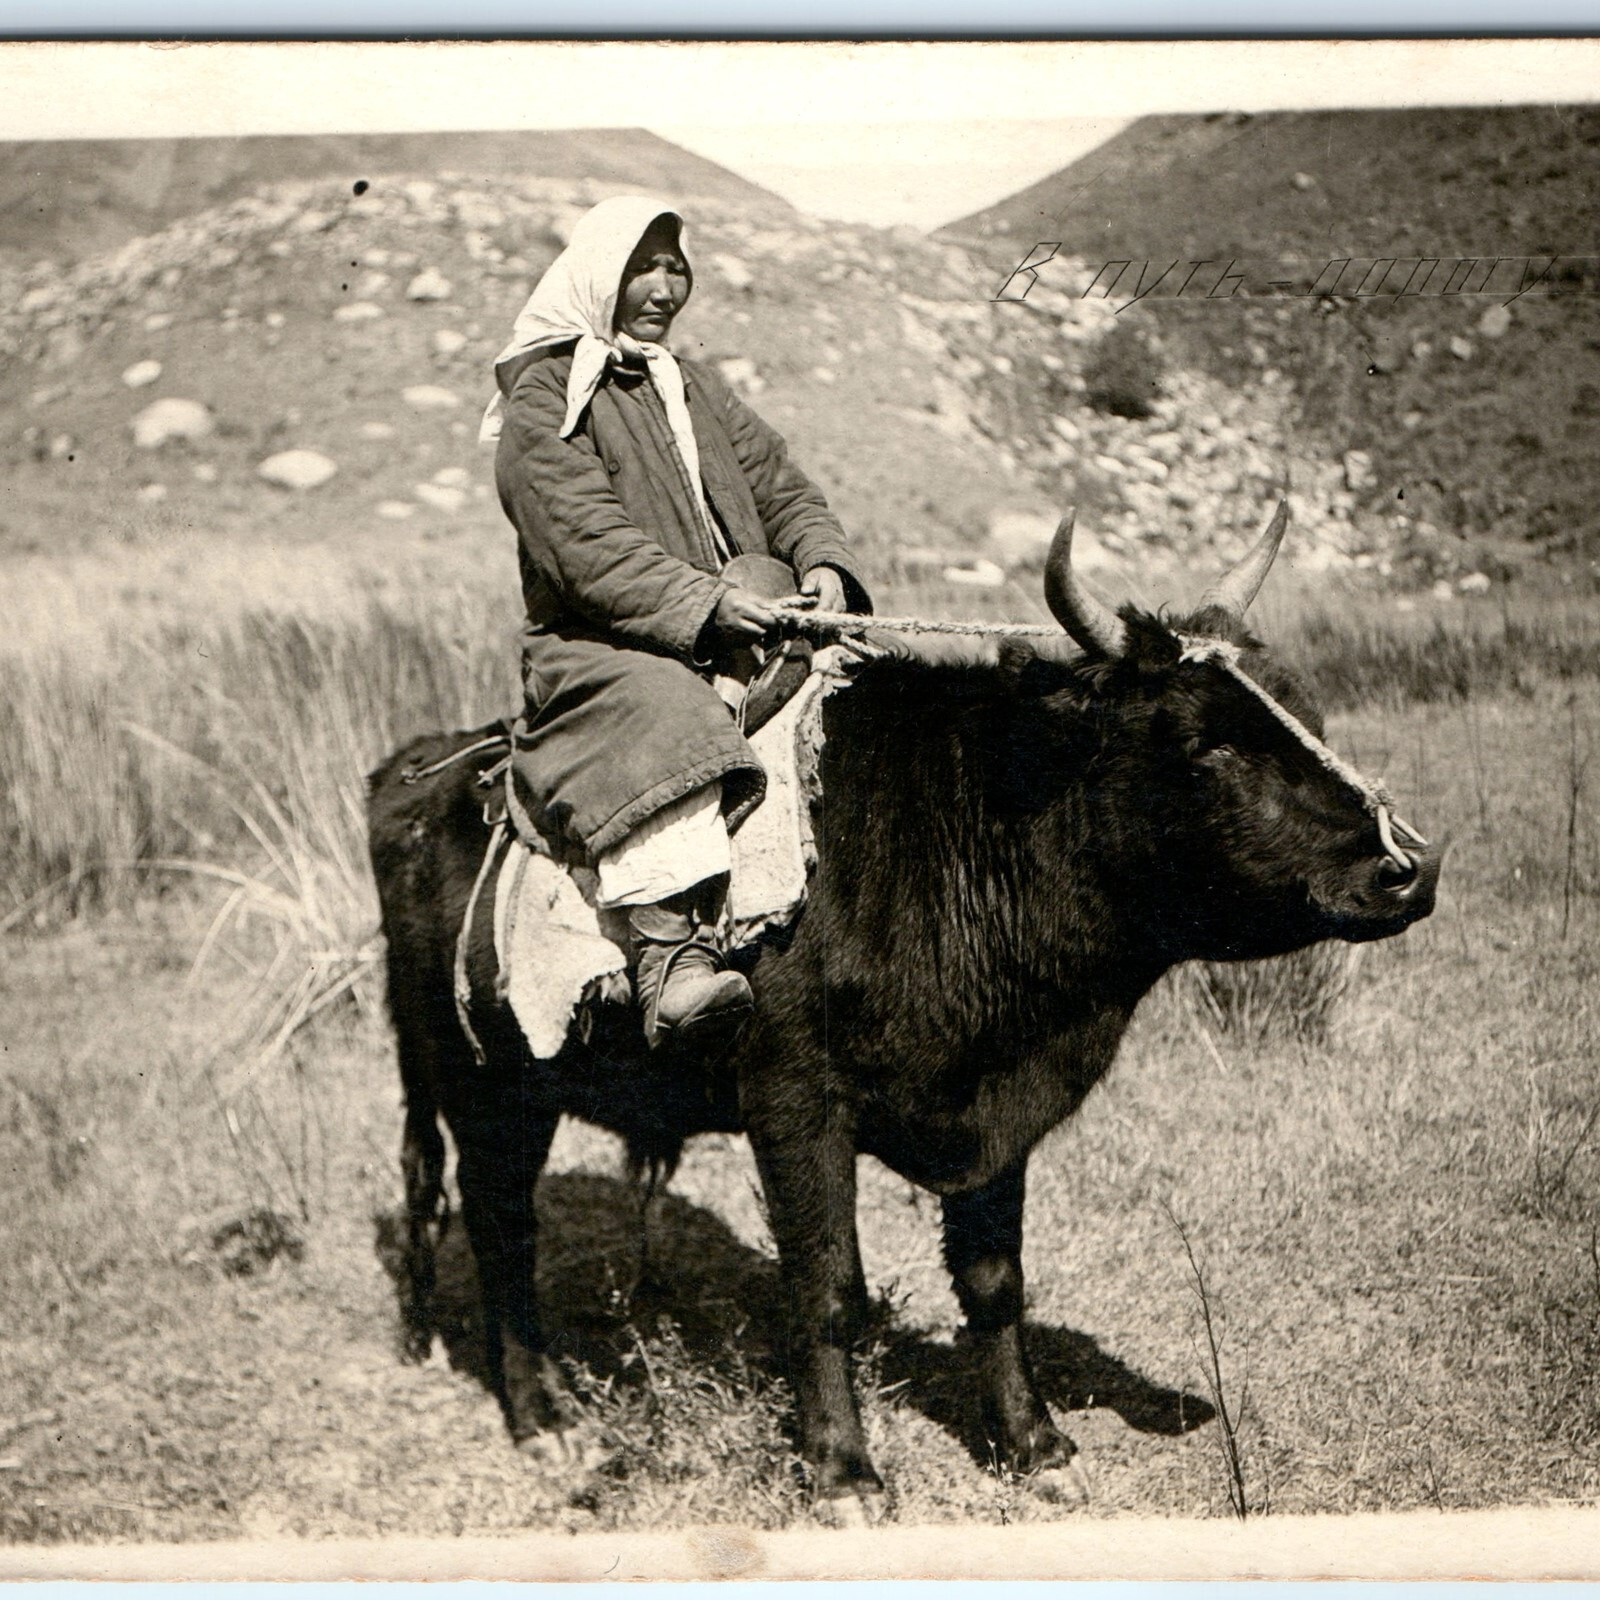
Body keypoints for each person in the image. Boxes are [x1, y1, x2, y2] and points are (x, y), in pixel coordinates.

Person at [481, 195, 870, 1049]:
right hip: (602, 646)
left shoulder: (687, 384)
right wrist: (708, 604)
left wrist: (824, 564)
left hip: (739, 617)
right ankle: (670, 959)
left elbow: (784, 486)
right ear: (596, 275)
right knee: (670, 712)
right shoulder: (544, 402)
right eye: (642, 267)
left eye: (675, 265)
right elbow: (588, 548)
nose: (664, 287)